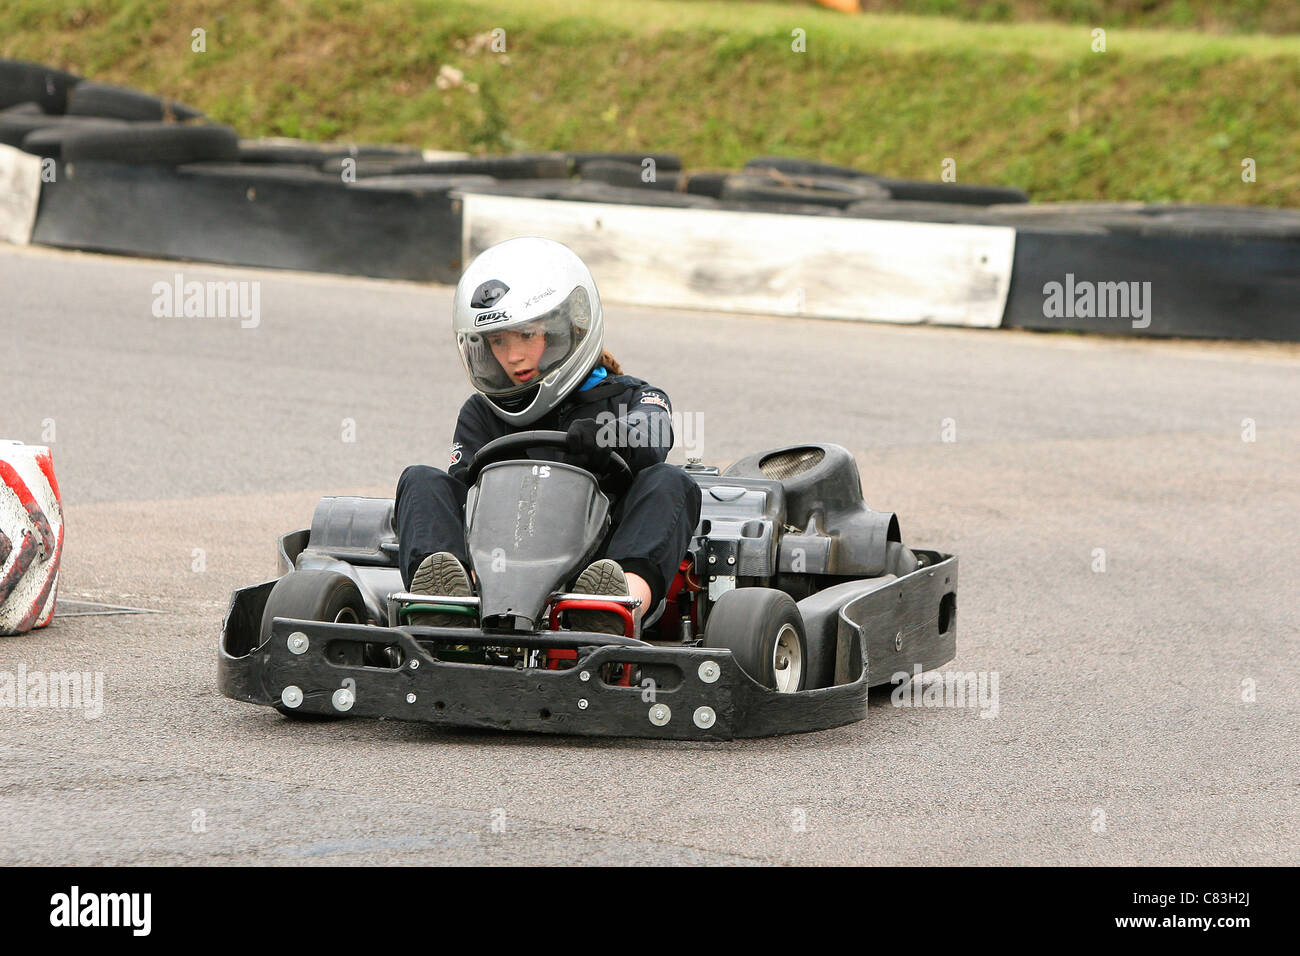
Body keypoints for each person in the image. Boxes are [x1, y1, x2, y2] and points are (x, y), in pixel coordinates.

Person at [395, 236, 702, 634]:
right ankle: (448, 604)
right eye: (498, 341)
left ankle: (617, 605)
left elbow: (652, 436)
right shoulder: (482, 412)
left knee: (670, 481)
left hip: (596, 564)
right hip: (494, 567)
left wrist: (608, 437)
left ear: (563, 330)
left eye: (525, 335)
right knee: (420, 480)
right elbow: (462, 496)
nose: (512, 356)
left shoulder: (633, 398)